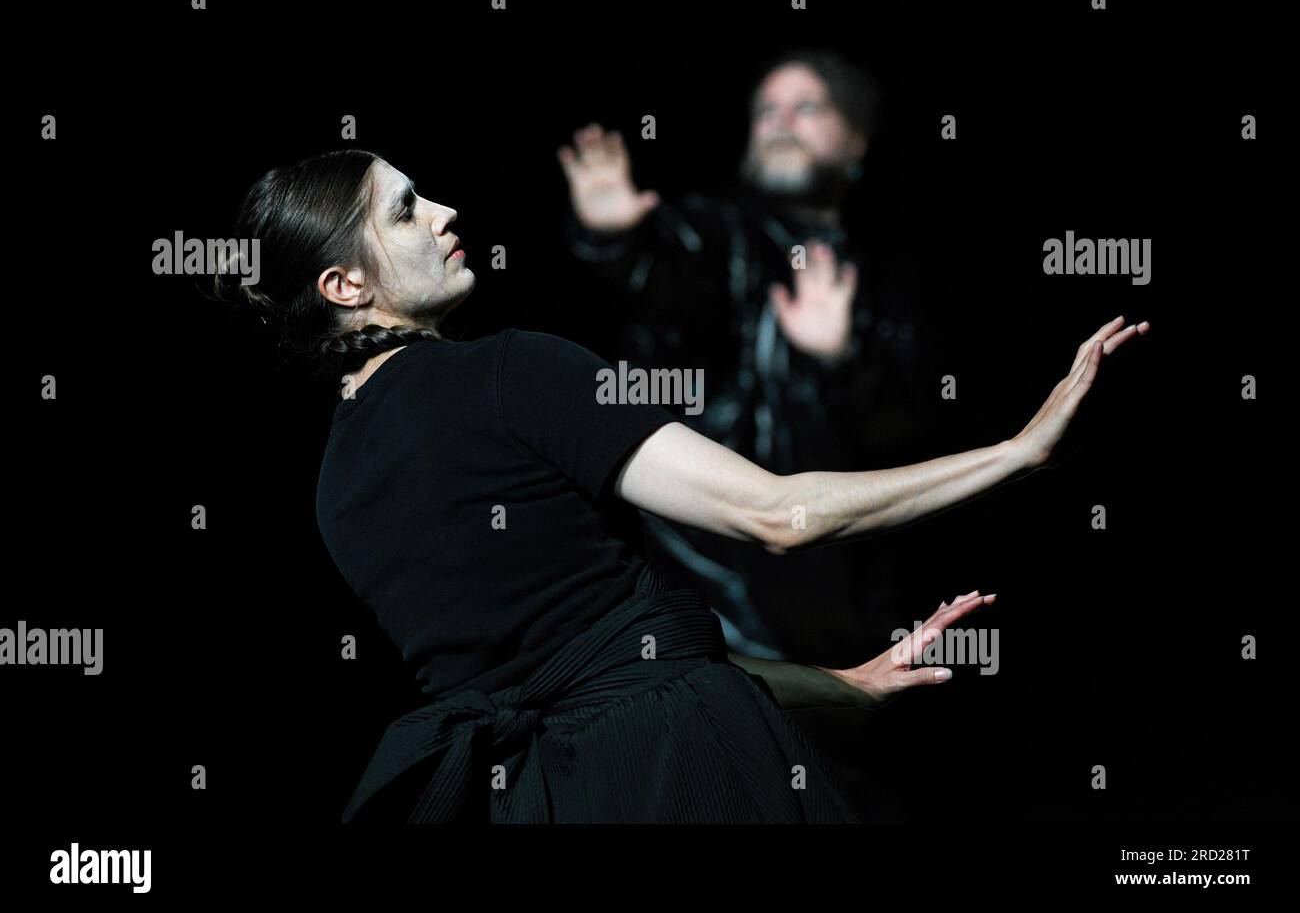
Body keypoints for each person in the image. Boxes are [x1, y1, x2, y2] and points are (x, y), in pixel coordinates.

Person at [211, 148, 1148, 823]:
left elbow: (608, 660)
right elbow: (776, 513)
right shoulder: (508, 370)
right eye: (408, 209)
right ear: (345, 284)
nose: (447, 212)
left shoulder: (333, 487)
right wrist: (1017, 452)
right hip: (684, 771)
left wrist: (847, 682)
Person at [558, 49, 937, 665]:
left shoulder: (892, 282)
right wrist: (617, 238)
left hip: (848, 624)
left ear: (857, 142)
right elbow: (668, 274)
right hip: (706, 612)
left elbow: (910, 438)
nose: (780, 121)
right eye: (765, 111)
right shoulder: (718, 231)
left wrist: (838, 361)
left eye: (806, 106)